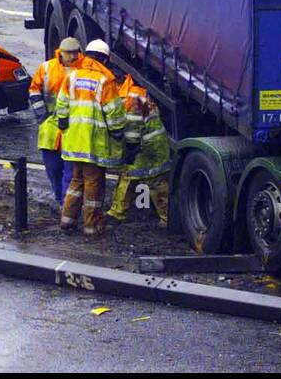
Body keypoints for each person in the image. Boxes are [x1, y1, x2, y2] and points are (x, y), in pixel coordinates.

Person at [56, 40, 126, 237]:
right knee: (93, 184)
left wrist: (62, 120)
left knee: (76, 181)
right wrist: (118, 132)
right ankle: (91, 225)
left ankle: (67, 220)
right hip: (93, 143)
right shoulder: (105, 80)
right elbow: (113, 112)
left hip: (73, 142)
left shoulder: (73, 75)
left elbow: (62, 103)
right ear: (104, 58)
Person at [27, 37, 87, 204]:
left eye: (76, 52)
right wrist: (42, 116)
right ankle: (61, 200)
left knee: (70, 174)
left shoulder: (85, 69)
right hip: (51, 129)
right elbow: (34, 91)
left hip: (73, 129)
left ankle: (65, 205)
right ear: (61, 52)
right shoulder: (47, 68)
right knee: (53, 170)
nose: (73, 56)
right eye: (70, 53)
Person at [108, 75, 173, 227]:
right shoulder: (135, 92)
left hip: (146, 145)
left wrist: (130, 148)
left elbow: (132, 126)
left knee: (148, 179)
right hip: (152, 142)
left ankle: (119, 213)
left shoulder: (131, 97)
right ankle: (164, 218)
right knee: (146, 178)